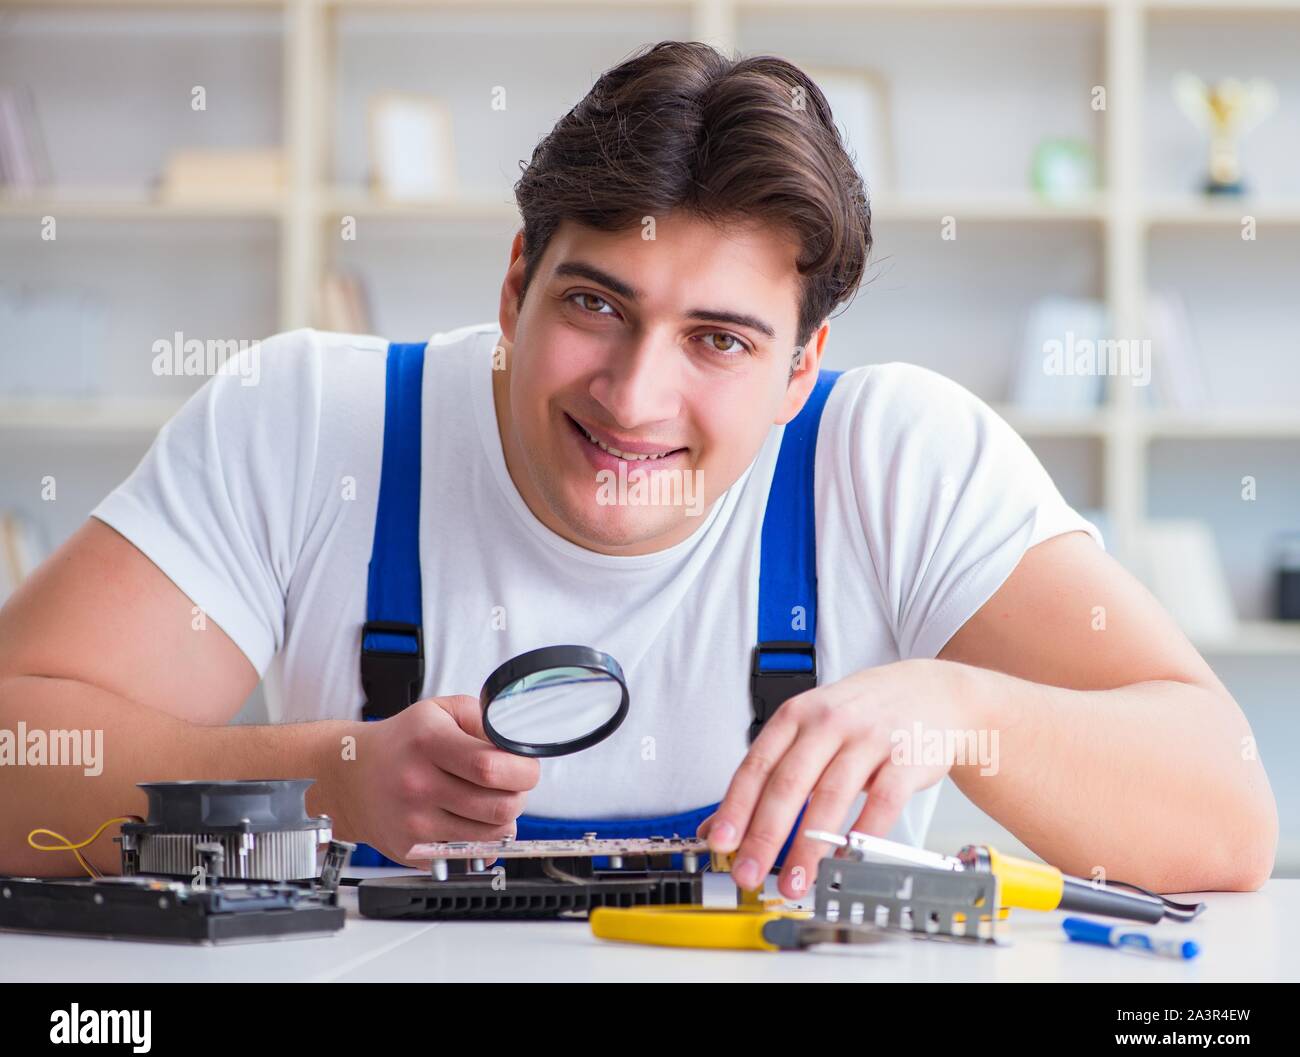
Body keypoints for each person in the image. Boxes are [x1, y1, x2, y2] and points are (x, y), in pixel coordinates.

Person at [0, 41, 1275, 898]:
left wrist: (960, 705)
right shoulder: (312, 419)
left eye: (718, 338)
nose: (633, 394)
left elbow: (1224, 812)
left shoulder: (897, 458)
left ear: (799, 367)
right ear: (515, 282)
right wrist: (321, 778)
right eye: (598, 305)